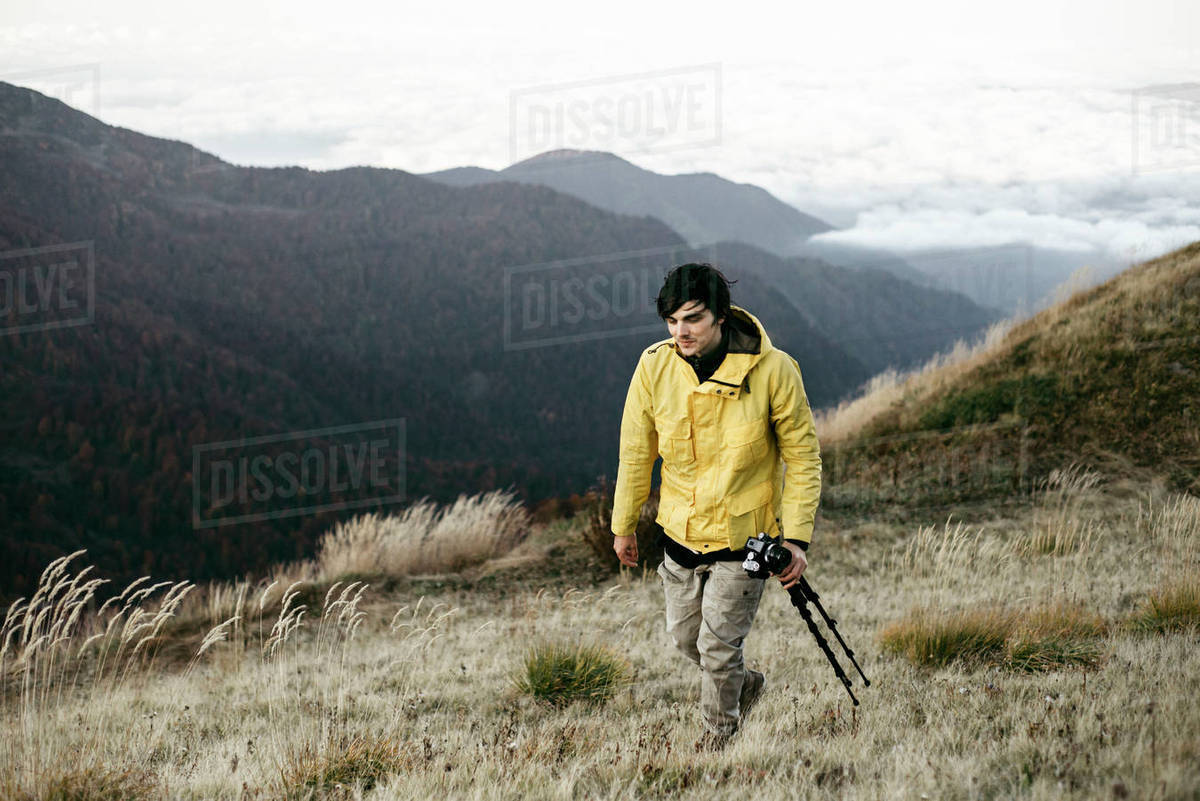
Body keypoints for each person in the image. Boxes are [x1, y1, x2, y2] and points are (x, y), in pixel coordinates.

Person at [610, 262, 822, 750]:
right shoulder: (654, 365)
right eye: (671, 320)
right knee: (687, 641)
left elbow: (803, 459)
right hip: (680, 534)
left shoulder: (775, 371)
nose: (679, 332)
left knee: (719, 647)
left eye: (692, 319)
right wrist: (624, 526)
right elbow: (636, 451)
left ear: (721, 316)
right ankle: (745, 687)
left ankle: (717, 741)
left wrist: (795, 539)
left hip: (743, 537)